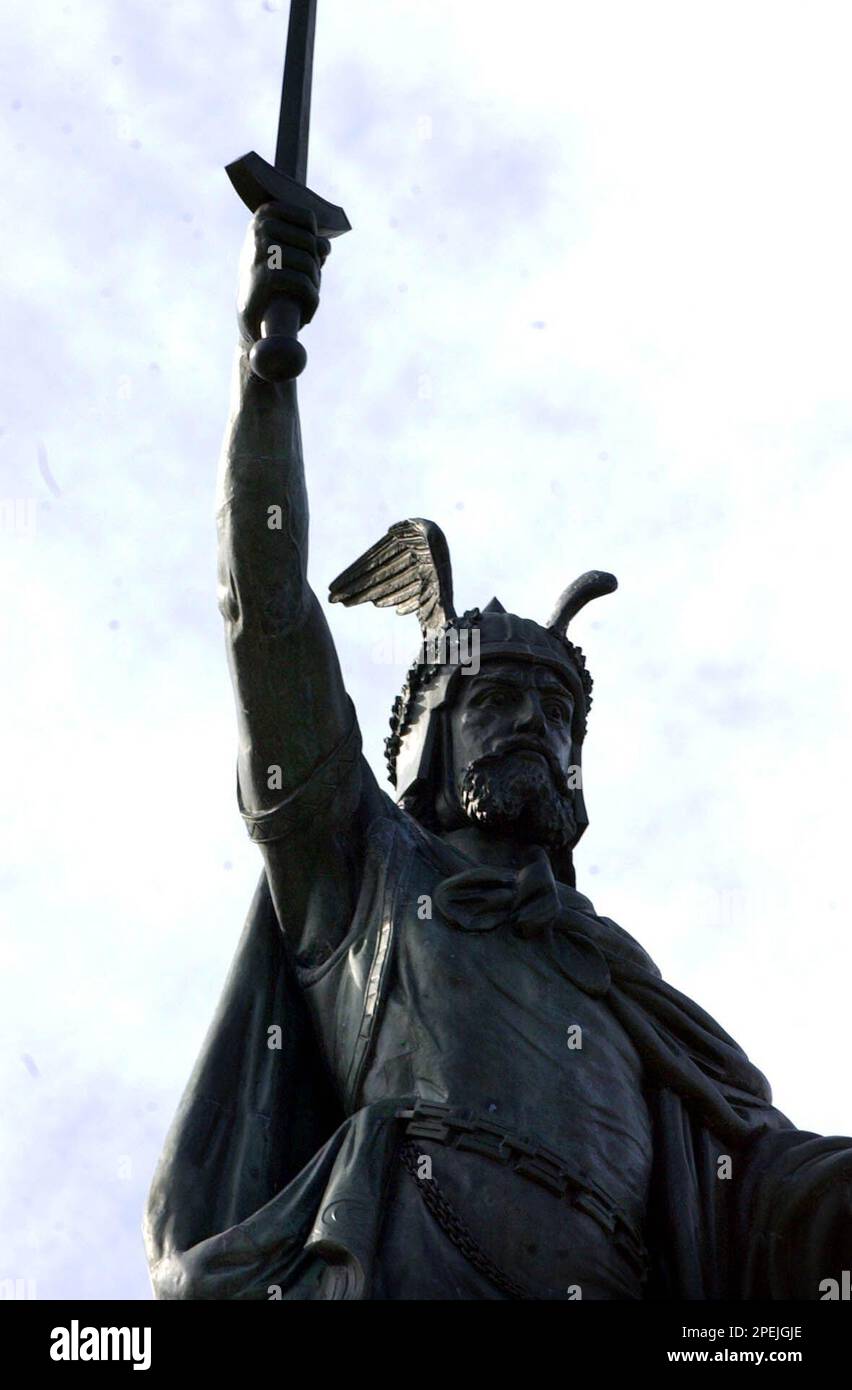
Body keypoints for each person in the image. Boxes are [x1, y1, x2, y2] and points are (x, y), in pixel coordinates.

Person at [144, 206, 852, 1300]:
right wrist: (265, 377)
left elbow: (761, 1175)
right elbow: (268, 617)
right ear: (430, 740)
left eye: (557, 712)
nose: (535, 725)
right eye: (498, 701)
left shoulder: (618, 979)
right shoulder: (367, 875)